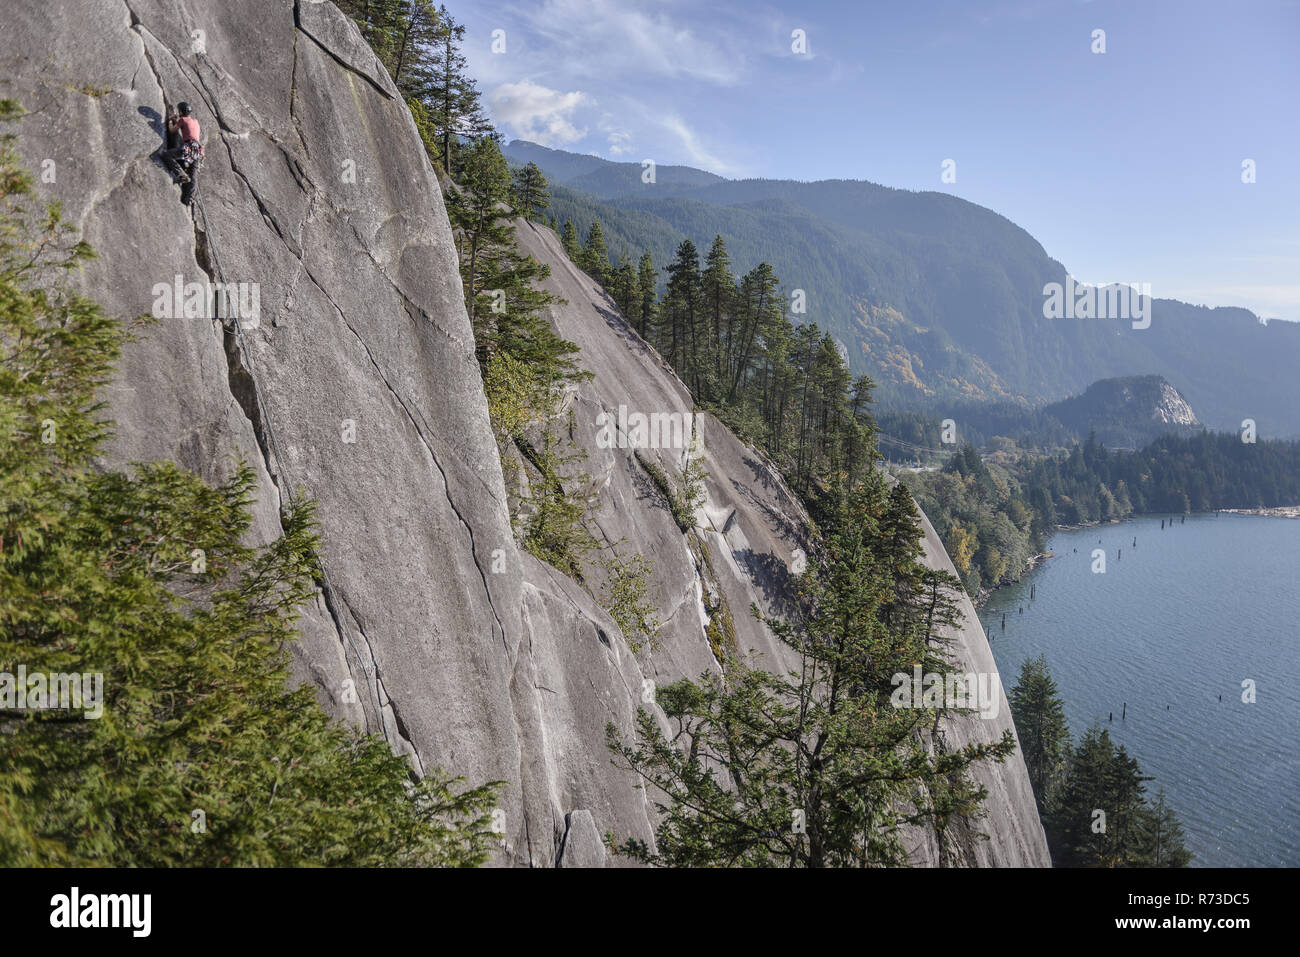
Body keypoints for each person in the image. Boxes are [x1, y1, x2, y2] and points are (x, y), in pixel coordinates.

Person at [162, 102, 203, 205]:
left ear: (180, 111)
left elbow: (172, 130)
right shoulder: (195, 121)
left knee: (166, 155)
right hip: (198, 149)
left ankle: (181, 174)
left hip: (189, 147)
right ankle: (190, 199)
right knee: (193, 174)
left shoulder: (182, 120)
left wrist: (171, 121)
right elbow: (188, 129)